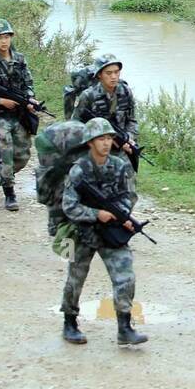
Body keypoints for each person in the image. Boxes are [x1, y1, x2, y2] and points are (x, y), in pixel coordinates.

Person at [59, 118, 147, 346]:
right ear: (90, 142)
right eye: (101, 139)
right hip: (82, 233)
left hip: (111, 232)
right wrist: (95, 214)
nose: (106, 143)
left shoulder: (119, 166)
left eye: (109, 138)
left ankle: (125, 327)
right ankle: (70, 322)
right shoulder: (78, 171)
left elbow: (129, 196)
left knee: (125, 276)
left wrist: (122, 215)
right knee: (75, 279)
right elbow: (69, 206)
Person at [0, 18, 38, 211]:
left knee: (22, 154)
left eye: (6, 37)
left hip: (18, 114)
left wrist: (29, 99)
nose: (4, 41)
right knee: (5, 150)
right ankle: (9, 191)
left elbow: (28, 83)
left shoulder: (20, 59)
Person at [73, 54, 138, 160]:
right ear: (99, 75)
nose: (113, 77)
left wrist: (129, 138)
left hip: (121, 146)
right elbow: (75, 125)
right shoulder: (88, 96)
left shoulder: (126, 92)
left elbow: (132, 121)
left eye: (116, 72)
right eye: (108, 73)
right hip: (94, 147)